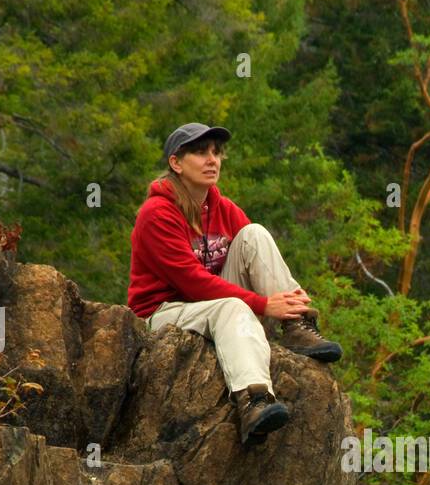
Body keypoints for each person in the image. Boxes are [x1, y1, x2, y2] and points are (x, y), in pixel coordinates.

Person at [127, 122, 343, 445]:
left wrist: (284, 299)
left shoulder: (222, 208)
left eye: (216, 152)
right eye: (200, 152)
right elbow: (192, 282)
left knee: (254, 234)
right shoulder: (156, 213)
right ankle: (255, 401)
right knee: (232, 306)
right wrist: (263, 305)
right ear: (176, 163)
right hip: (161, 312)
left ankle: (297, 322)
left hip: (208, 306)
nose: (212, 159)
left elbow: (254, 258)